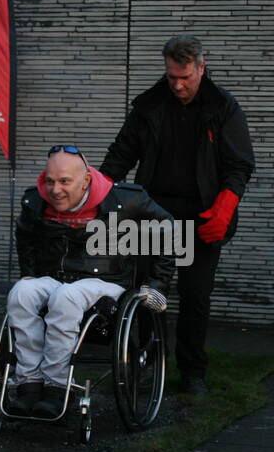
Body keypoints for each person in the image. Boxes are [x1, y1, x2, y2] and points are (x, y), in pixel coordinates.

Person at [101, 35, 255, 395]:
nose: (178, 84)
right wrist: (99, 189)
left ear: (201, 68)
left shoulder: (223, 107)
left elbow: (239, 164)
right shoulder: (149, 105)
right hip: (152, 213)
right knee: (147, 292)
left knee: (195, 295)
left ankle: (192, 372)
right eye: (171, 77)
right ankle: (144, 364)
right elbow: (121, 155)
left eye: (185, 77)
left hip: (202, 217)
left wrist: (226, 204)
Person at [8, 145, 174, 419]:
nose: (55, 190)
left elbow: (170, 227)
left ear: (85, 180)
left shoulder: (125, 198)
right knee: (21, 291)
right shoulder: (34, 201)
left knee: (68, 297)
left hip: (107, 281)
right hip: (56, 279)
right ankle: (29, 383)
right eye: (49, 181)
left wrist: (158, 283)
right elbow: (24, 235)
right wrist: (29, 273)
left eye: (64, 181)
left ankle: (56, 387)